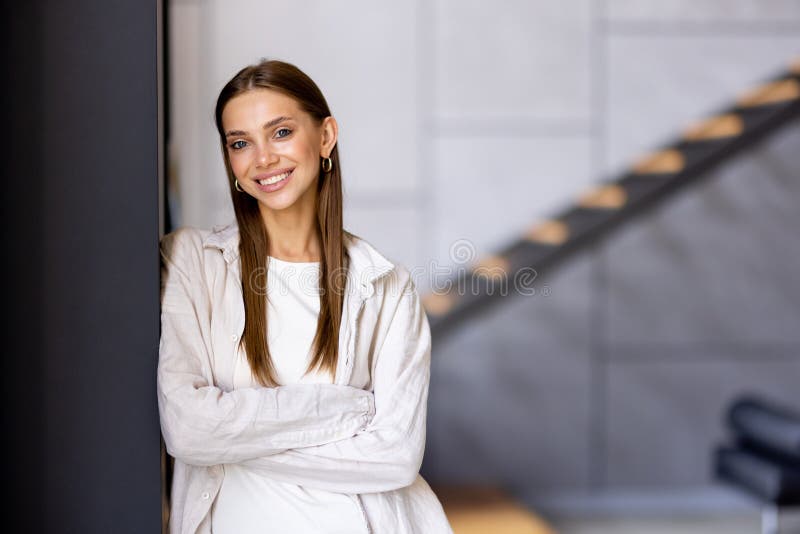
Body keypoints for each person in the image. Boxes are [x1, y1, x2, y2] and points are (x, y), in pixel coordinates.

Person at [157, 59, 453, 534]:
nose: (263, 158)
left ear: (325, 137)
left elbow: (394, 458)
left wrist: (236, 438)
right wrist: (345, 409)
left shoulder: (388, 288)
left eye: (280, 132)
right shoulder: (192, 262)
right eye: (240, 143)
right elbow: (189, 429)